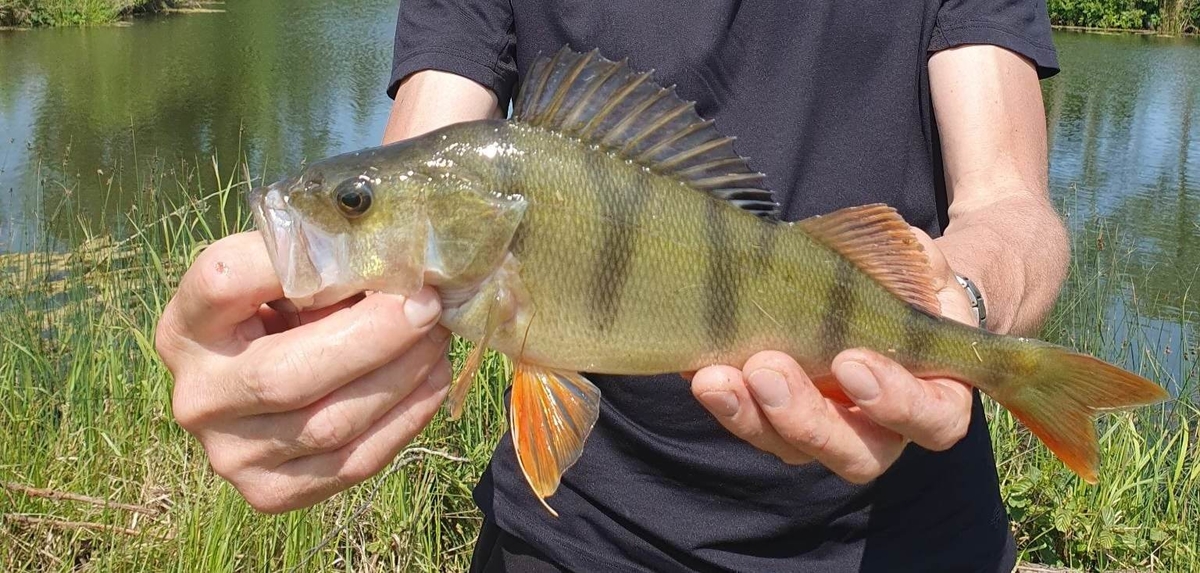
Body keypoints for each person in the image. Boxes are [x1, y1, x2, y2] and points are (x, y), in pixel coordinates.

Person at [155, 1, 1070, 570]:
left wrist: (966, 311)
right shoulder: (476, 227)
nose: (353, 209)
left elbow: (1009, 202)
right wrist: (302, 358)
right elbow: (422, 144)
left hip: (905, 543)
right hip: (571, 545)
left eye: (351, 205)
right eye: (358, 204)